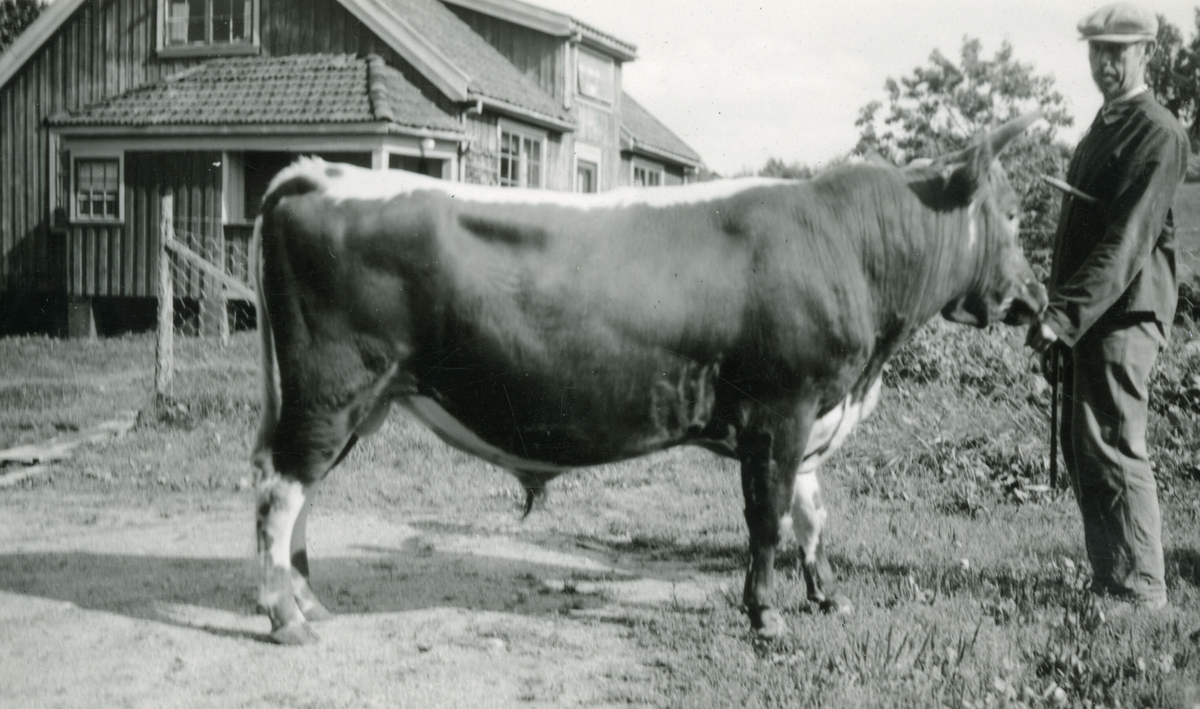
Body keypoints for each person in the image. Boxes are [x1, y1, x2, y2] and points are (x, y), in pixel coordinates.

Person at [1027, 2, 1189, 612]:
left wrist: (1062, 318)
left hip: (1127, 313)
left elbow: (1127, 242)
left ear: (1147, 53)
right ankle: (1112, 578)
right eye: (1097, 51)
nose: (1104, 63)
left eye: (1117, 51)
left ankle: (1141, 590)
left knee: (1114, 444)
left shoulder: (1158, 131)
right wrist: (1058, 316)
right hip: (1092, 315)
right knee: (1086, 449)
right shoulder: (1102, 128)